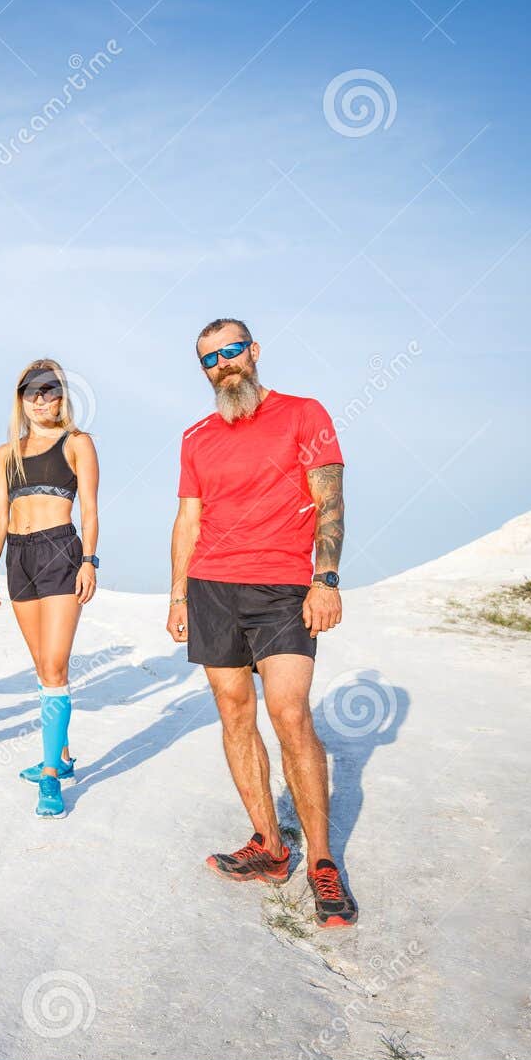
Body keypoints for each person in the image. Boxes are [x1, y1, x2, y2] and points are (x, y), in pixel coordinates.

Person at [166, 318, 358, 927]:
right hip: (211, 587)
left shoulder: (305, 415)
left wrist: (324, 579)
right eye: (209, 359)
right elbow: (188, 521)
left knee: (290, 711)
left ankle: (322, 862)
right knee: (232, 710)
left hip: (282, 586)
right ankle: (269, 846)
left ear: (253, 351)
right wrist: (177, 595)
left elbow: (330, 502)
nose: (223, 364)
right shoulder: (196, 437)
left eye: (231, 351)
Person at [0, 360, 100, 819]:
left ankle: (51, 777)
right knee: (41, 664)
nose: (41, 398)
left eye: (50, 390)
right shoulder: (5, 453)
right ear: (20, 398)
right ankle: (63, 755)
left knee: (54, 666)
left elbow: (89, 509)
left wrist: (89, 560)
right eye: (32, 391)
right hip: (18, 556)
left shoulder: (77, 443)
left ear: (62, 395)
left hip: (60, 552)